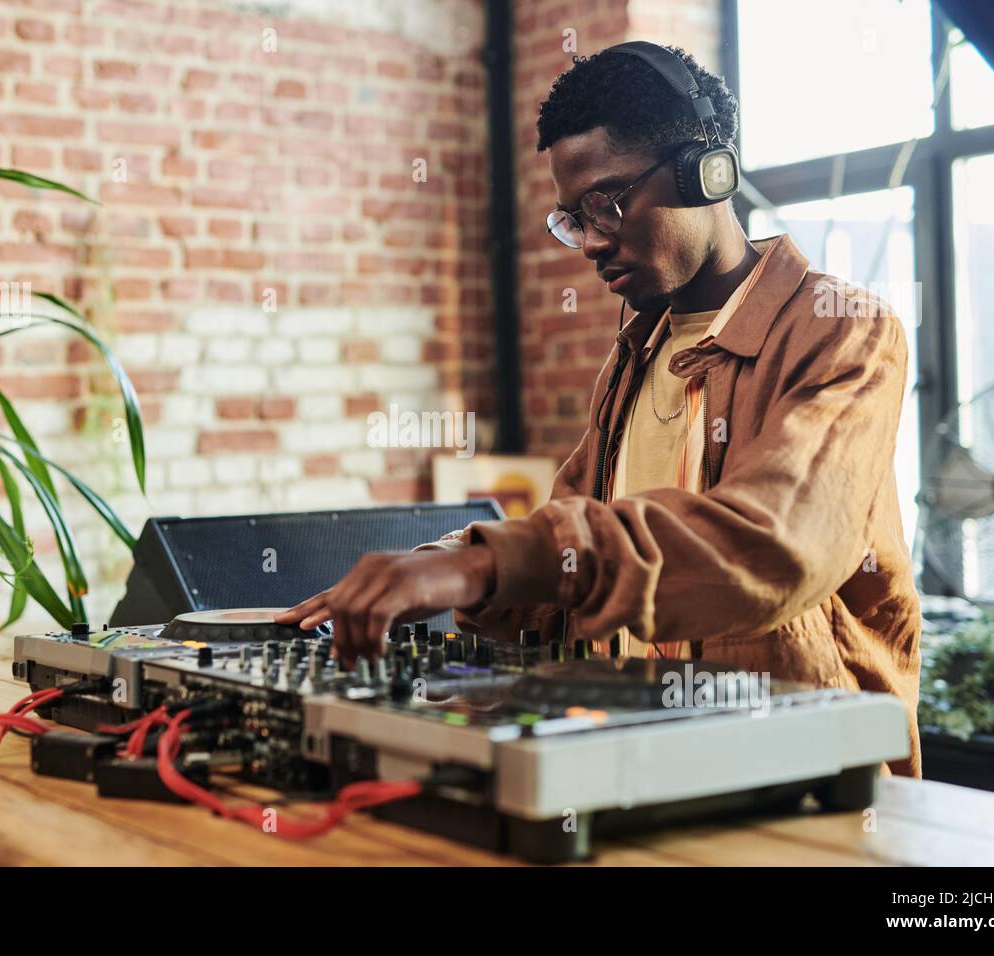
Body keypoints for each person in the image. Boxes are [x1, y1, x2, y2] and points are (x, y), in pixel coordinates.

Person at [277, 43, 921, 777]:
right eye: (571, 218)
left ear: (708, 172)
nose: (589, 241)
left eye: (607, 203)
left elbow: (773, 548)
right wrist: (446, 564)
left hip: (806, 784)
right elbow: (569, 562)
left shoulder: (843, 330)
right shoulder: (633, 355)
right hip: (651, 766)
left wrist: (485, 568)